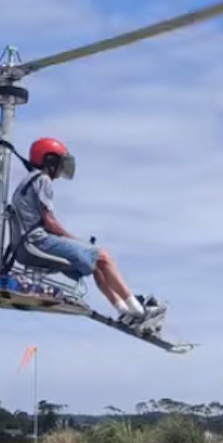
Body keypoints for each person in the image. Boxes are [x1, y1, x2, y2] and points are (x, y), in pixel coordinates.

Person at [10, 136, 165, 328]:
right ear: (50, 161)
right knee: (103, 255)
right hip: (38, 241)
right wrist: (72, 239)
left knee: (96, 263)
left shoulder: (25, 183)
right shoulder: (42, 180)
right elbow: (49, 222)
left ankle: (124, 310)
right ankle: (138, 311)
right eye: (59, 162)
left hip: (27, 244)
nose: (61, 167)